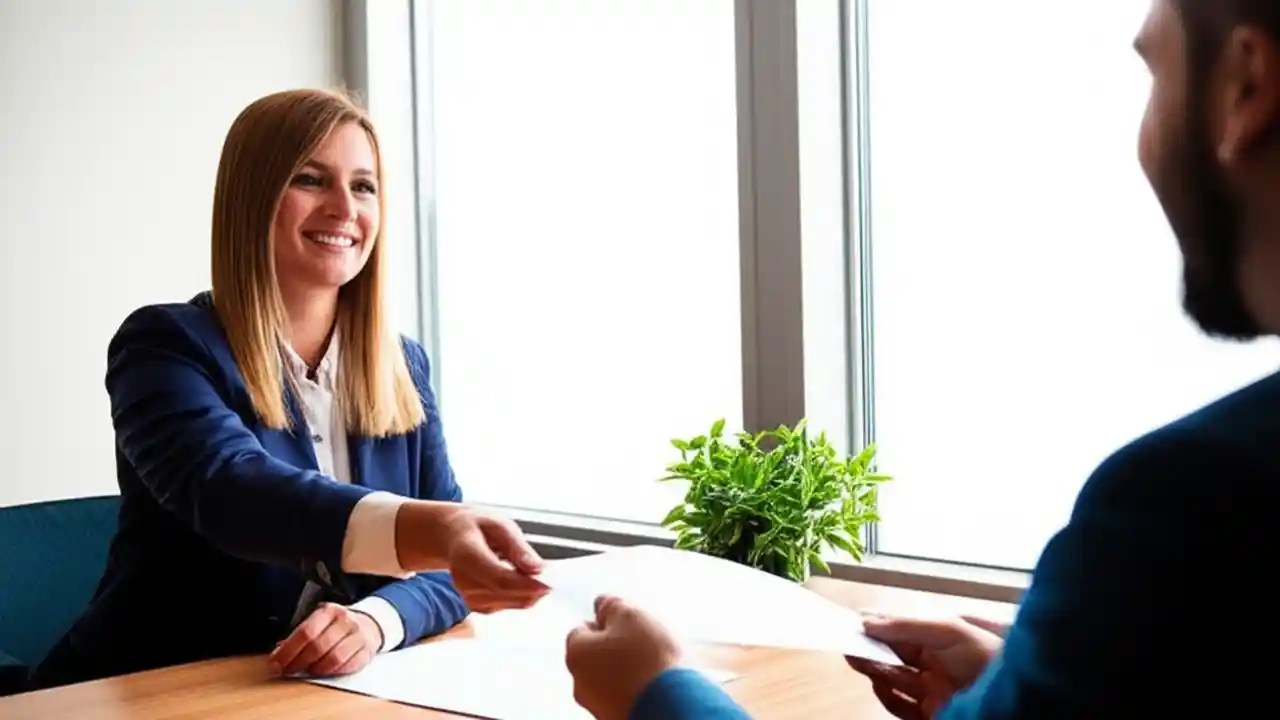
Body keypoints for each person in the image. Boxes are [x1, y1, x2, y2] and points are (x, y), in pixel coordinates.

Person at [564, 0, 1280, 716]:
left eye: (1156, 75)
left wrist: (657, 696)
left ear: (1246, 86)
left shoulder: (1191, 503)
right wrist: (1011, 691)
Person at [32, 88, 547, 689]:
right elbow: (234, 490)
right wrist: (434, 531)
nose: (344, 208)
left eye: (363, 186)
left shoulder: (402, 364)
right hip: (154, 689)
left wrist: (375, 620)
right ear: (253, 199)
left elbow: (443, 575)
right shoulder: (164, 345)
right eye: (311, 179)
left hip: (309, 697)